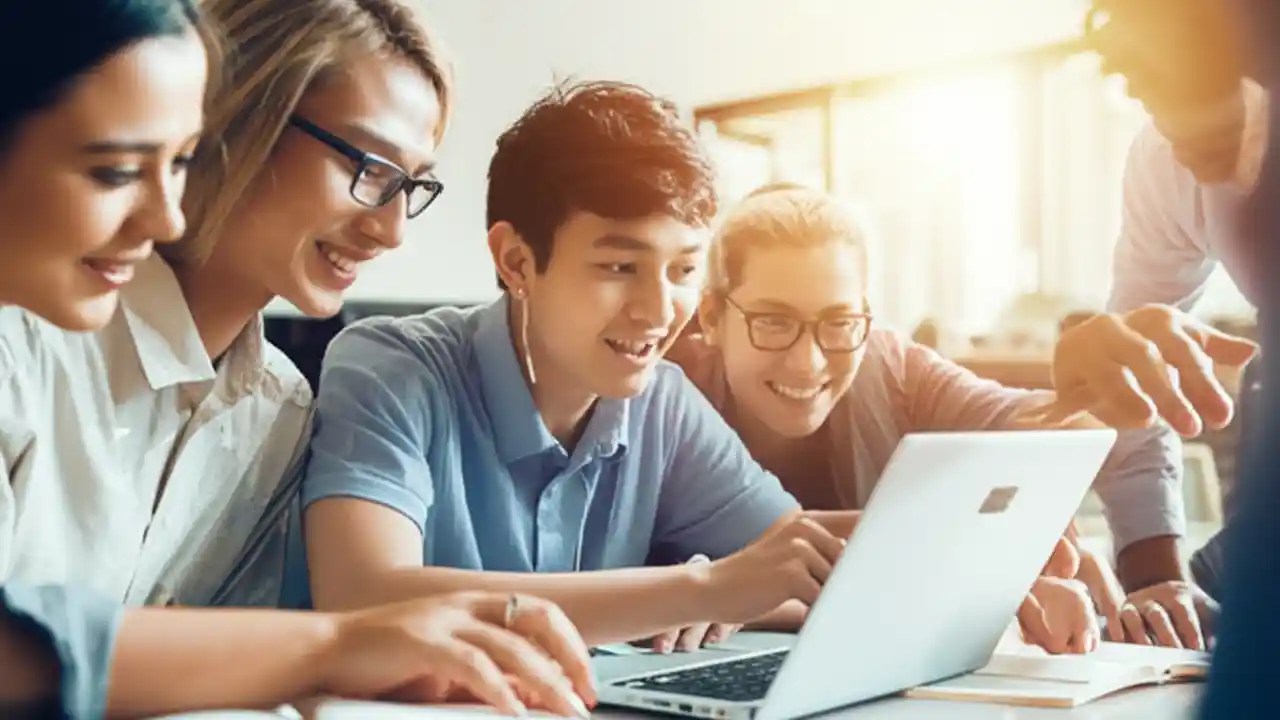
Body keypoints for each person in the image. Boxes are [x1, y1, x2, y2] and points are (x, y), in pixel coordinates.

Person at [0, 1, 591, 716]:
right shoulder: (24, 334)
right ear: (235, 121)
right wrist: (335, 647)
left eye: (409, 187)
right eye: (369, 167)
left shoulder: (279, 411)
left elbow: (218, 679)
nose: (391, 230)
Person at [302, 80, 862, 649]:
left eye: (683, 271)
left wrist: (728, 600)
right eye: (620, 267)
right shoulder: (392, 368)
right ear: (516, 262)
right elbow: (361, 596)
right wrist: (700, 589)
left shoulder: (663, 404)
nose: (659, 312)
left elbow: (803, 574)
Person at [665, 184, 1203, 654]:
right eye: (773, 322)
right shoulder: (663, 393)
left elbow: (1033, 424)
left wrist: (1094, 391)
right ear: (711, 317)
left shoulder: (893, 366)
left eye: (840, 322)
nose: (808, 362)